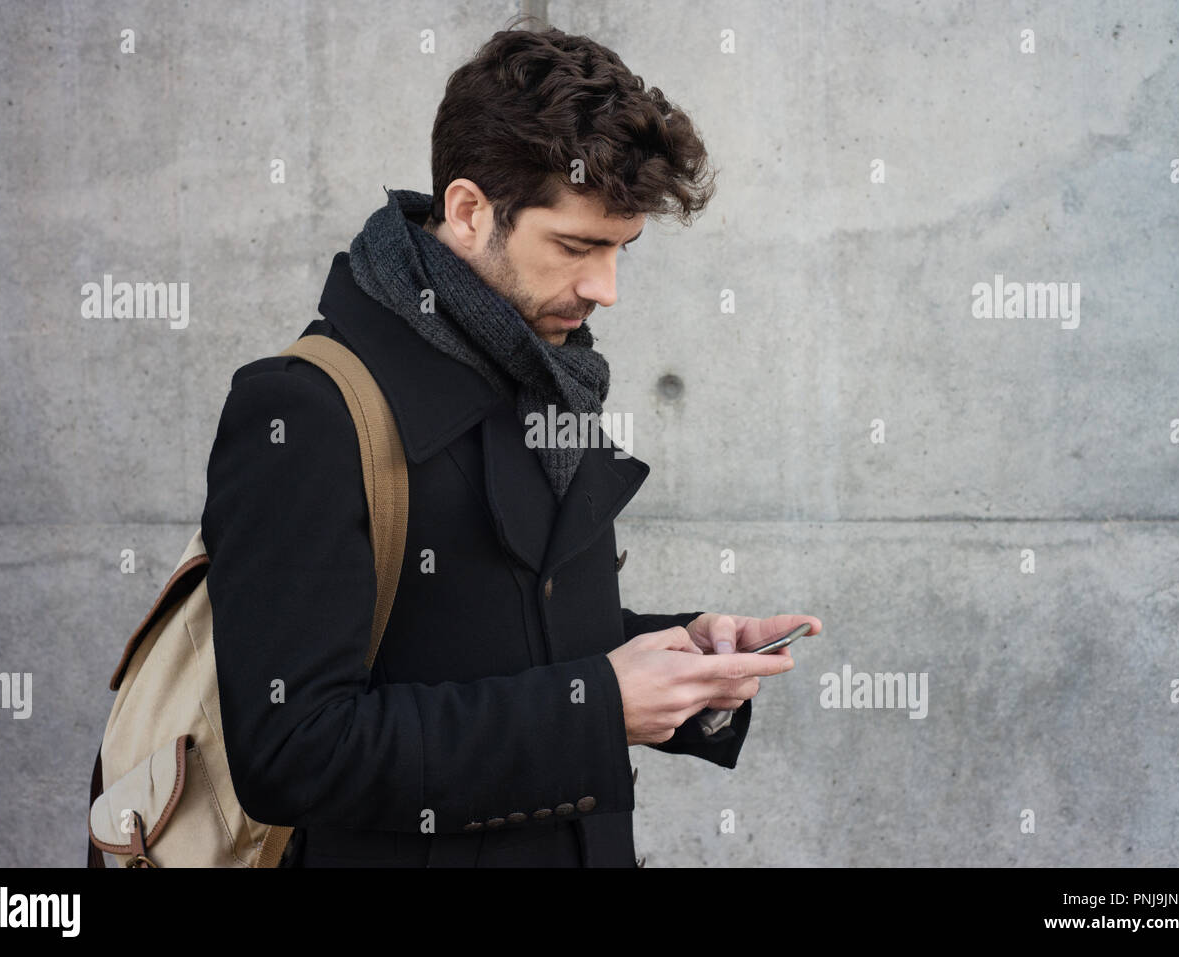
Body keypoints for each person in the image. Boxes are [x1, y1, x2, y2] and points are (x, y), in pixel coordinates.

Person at [199, 17, 820, 868]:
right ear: (466, 210)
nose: (605, 288)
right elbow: (292, 752)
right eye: (576, 246)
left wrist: (682, 656)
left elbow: (496, 629)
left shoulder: (545, 367)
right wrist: (599, 706)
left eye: (622, 251)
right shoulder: (303, 411)